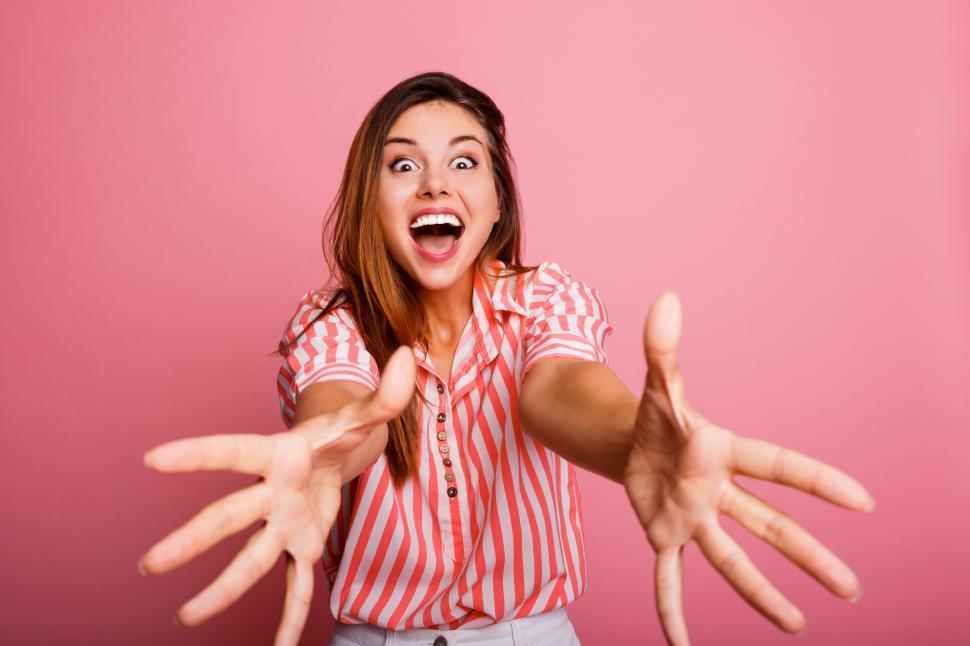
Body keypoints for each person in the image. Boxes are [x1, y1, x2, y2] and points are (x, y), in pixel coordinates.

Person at [139, 71, 875, 646]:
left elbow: (560, 387)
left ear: (495, 204)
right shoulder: (329, 322)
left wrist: (634, 442)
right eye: (403, 165)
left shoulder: (546, 299)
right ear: (370, 202)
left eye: (464, 162)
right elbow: (343, 406)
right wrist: (323, 452)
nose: (435, 183)